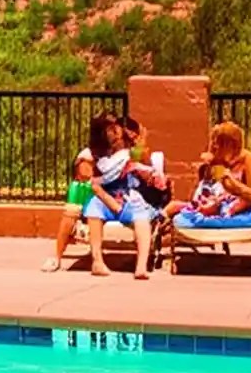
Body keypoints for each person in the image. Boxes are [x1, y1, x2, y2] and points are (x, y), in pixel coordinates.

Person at [85, 114, 162, 280]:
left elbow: (144, 165)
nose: (117, 134)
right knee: (93, 209)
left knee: (141, 217)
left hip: (129, 198)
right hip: (105, 198)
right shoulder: (97, 156)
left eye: (117, 130)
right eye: (112, 130)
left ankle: (141, 266)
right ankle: (97, 260)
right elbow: (95, 180)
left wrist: (140, 147)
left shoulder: (130, 153)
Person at [42, 111, 116, 272]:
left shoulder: (119, 151)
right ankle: (56, 256)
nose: (114, 132)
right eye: (111, 129)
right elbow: (87, 178)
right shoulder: (88, 156)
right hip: (89, 193)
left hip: (109, 192)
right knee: (73, 206)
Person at [166, 121, 251, 220]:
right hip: (213, 205)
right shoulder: (218, 163)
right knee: (172, 207)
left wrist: (233, 185)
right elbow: (205, 193)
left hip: (232, 209)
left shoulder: (250, 161)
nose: (213, 150)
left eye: (216, 147)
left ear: (230, 145)